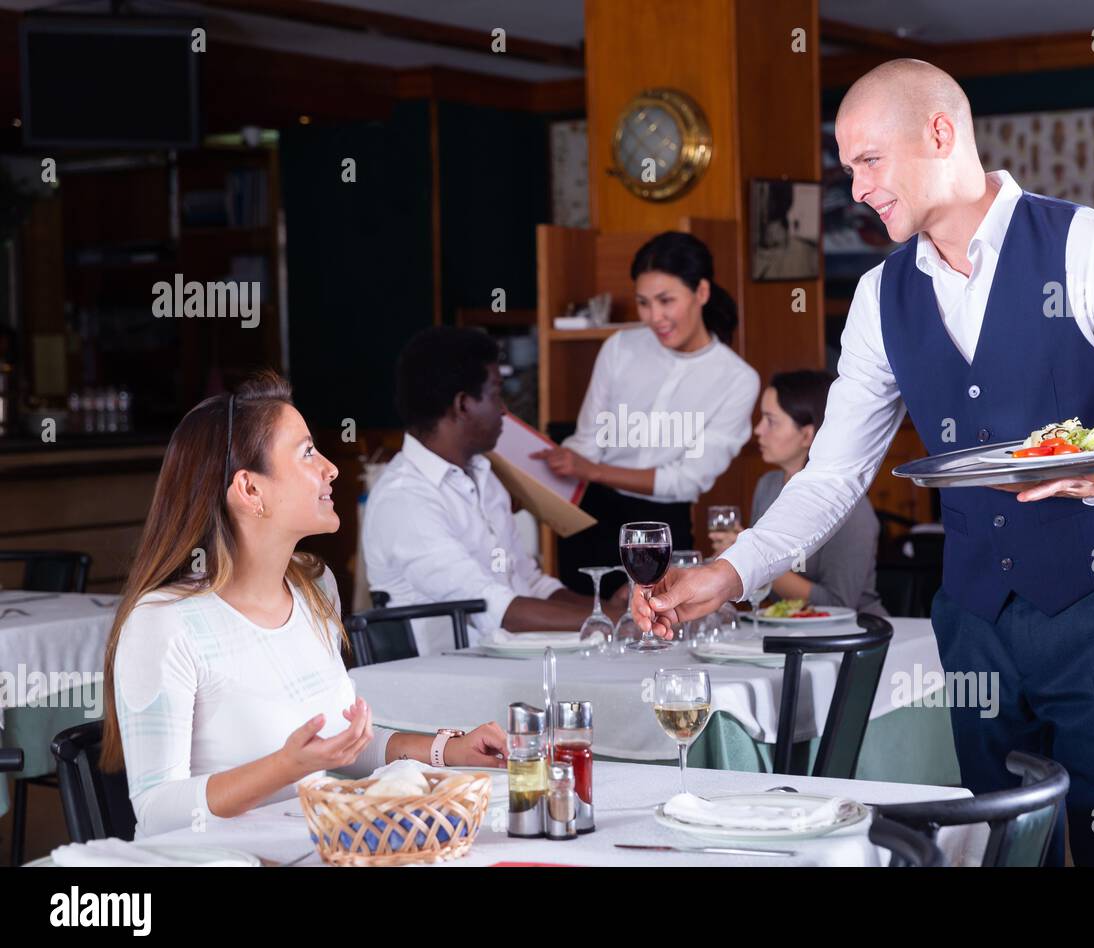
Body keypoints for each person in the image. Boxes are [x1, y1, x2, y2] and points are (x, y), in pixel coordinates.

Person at [635, 59, 1094, 867]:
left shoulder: (1090, 245)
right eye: (848, 169)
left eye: (870, 161)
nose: (858, 188)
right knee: (1002, 848)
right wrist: (729, 573)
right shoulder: (880, 296)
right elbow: (832, 474)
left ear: (940, 133)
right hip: (977, 622)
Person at [101, 371, 507, 840]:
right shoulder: (164, 623)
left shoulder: (314, 587)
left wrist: (447, 749)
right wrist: (285, 767)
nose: (331, 468)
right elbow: (156, 812)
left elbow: (342, 747)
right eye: (308, 453)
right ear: (250, 490)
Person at [363, 327, 625, 651]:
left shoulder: (485, 476)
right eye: (496, 394)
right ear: (463, 405)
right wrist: (612, 619)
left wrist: (609, 608)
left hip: (504, 664)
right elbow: (495, 609)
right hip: (443, 682)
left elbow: (528, 583)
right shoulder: (404, 500)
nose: (504, 410)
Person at [532, 231, 760, 597]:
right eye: (643, 303)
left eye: (666, 301)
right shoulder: (620, 347)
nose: (655, 317)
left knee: (655, 633)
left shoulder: (737, 380)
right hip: (589, 516)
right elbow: (588, 441)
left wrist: (592, 470)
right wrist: (545, 472)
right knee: (584, 628)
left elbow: (688, 480)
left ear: (701, 292)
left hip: (661, 528)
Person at [709, 369, 886, 616]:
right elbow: (762, 591)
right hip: (790, 630)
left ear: (807, 435)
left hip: (857, 635)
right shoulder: (768, 485)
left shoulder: (851, 506)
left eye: (771, 421)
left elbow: (839, 604)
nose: (758, 430)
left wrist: (750, 560)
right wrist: (739, 559)